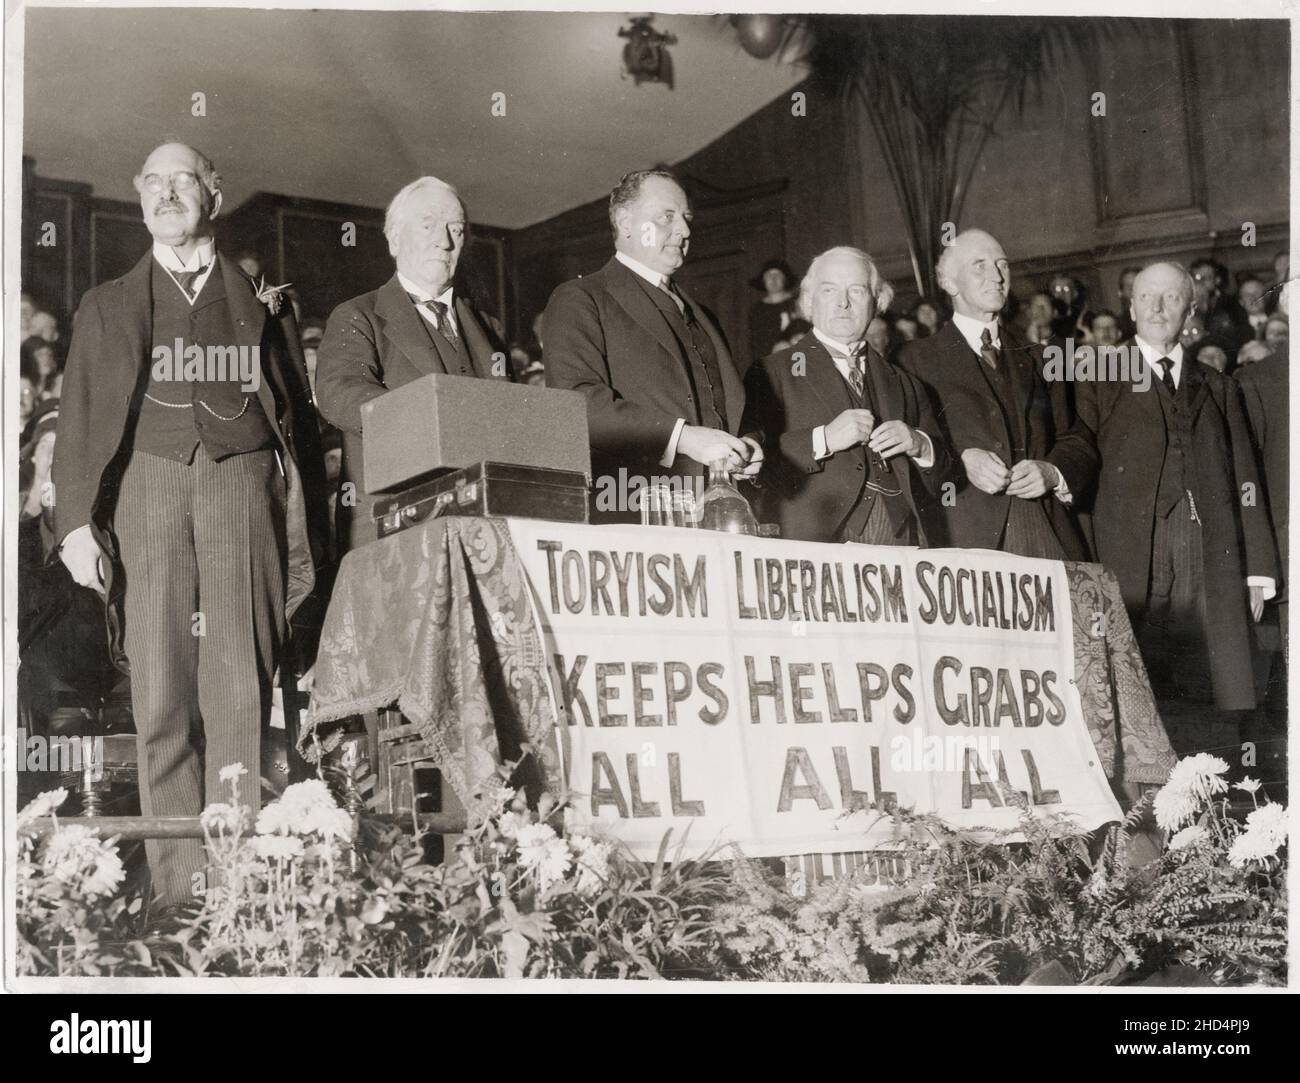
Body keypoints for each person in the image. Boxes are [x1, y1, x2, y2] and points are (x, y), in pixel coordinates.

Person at [51, 142, 325, 907]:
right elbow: (76, 420)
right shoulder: (107, 303)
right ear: (138, 196)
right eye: (153, 182)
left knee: (238, 682)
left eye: (184, 181)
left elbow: (298, 419)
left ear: (214, 191)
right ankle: (178, 897)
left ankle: (234, 896)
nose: (167, 193)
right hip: (147, 485)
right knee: (162, 687)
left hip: (241, 483)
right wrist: (76, 523)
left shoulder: (261, 297)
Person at [1074, 262, 1275, 756]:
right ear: (1131, 305)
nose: (1157, 307)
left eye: (1170, 298)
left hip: (1208, 555)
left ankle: (1208, 810)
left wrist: (1258, 573)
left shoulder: (1219, 384)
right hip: (1130, 557)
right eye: (1147, 297)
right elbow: (1080, 468)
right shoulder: (1097, 376)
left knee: (1211, 685)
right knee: (1134, 684)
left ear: (1191, 308)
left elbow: (1246, 477)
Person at [543, 168, 758, 521]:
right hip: (632, 508)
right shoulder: (582, 298)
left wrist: (746, 446)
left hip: (717, 512)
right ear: (625, 222)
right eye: (667, 217)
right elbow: (576, 403)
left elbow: (725, 408)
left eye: (687, 218)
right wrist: (683, 438)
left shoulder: (701, 314)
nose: (685, 230)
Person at [315, 175, 512, 552]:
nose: (445, 240)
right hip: (394, 524)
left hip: (484, 526)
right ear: (394, 239)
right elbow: (339, 393)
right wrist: (437, 419)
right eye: (428, 225)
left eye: (456, 228)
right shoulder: (358, 315)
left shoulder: (490, 328)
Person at [898, 229, 1096, 559]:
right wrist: (961, 460)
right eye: (979, 265)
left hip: (1041, 530)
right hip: (958, 537)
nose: (997, 275)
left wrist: (1051, 472)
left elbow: (1076, 440)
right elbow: (908, 449)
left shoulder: (1039, 356)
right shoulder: (913, 359)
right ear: (950, 283)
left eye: (1002, 264)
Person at [742, 247, 948, 545]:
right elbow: (751, 468)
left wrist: (920, 444)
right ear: (809, 300)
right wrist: (822, 439)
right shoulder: (771, 372)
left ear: (877, 302)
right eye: (829, 290)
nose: (843, 303)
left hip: (903, 544)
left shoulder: (906, 382)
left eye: (857, 291)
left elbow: (947, 476)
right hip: (816, 550)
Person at [748, 258, 799, 359]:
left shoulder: (797, 304)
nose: (773, 279)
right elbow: (755, 343)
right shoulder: (757, 309)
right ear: (763, 280)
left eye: (778, 275)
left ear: (785, 279)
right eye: (769, 275)